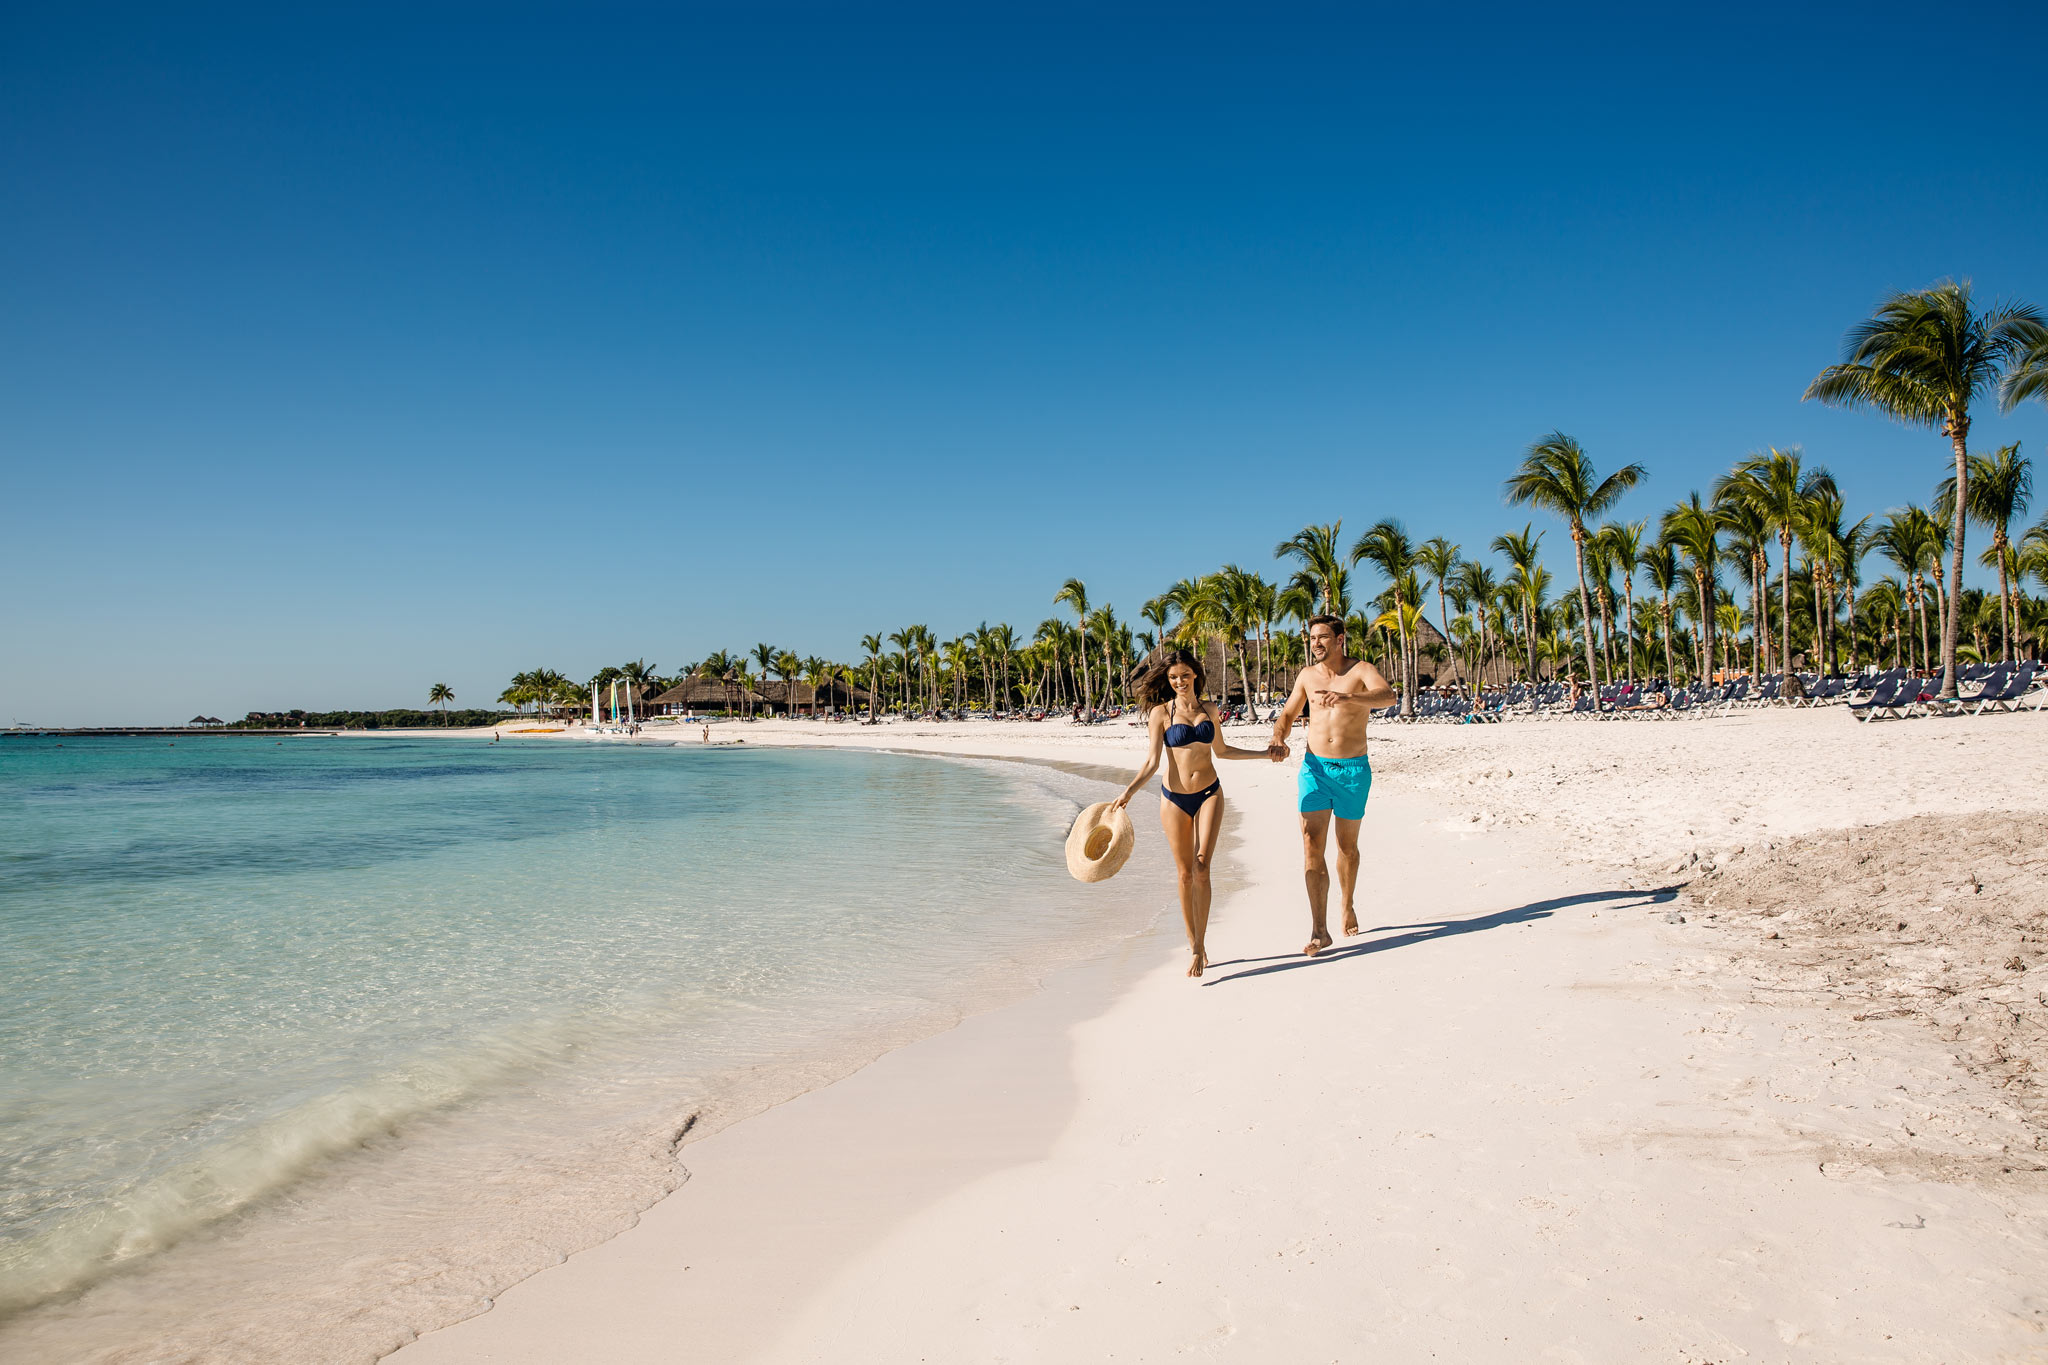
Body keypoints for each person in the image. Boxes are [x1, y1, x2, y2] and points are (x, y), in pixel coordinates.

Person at [1114, 649, 1285, 977]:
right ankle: (1193, 942)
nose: (1179, 682)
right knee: (1184, 874)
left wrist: (1264, 754)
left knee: (1203, 866)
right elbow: (1152, 762)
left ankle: (1200, 944)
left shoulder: (1209, 709)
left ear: (1196, 676)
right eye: (1173, 677)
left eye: (1185, 676)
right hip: (1174, 798)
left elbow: (1222, 751)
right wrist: (1128, 792)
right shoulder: (1161, 714)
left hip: (1209, 793)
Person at [1269, 615, 1397, 955]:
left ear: (1340, 639)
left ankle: (1347, 903)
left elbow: (1388, 696)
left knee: (1347, 848)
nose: (1315, 644)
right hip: (1315, 769)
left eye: (1323, 637)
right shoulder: (1307, 677)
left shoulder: (1360, 671)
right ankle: (1319, 930)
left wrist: (1348, 699)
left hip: (1353, 771)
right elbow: (1287, 714)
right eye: (1312, 638)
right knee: (1312, 845)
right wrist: (1278, 736)